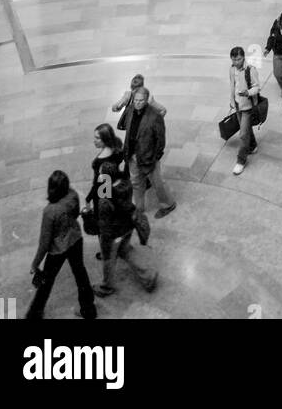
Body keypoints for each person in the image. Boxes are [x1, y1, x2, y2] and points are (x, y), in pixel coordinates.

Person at [85, 124, 156, 297]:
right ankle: (149, 276)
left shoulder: (105, 196)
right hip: (127, 222)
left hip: (114, 229)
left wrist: (103, 236)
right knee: (125, 250)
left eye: (97, 137)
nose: (94, 140)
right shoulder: (120, 180)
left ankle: (107, 285)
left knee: (109, 257)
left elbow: (105, 216)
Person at [26, 170, 97, 320]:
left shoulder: (49, 211)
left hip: (57, 249)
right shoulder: (73, 195)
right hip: (76, 239)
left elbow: (44, 243)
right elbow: (76, 214)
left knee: (46, 281)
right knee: (80, 273)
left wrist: (35, 264)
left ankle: (35, 313)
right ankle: (88, 309)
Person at [123, 86, 176, 218]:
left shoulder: (155, 116)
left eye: (141, 100)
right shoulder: (129, 110)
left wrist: (156, 156)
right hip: (132, 154)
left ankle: (168, 204)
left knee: (157, 182)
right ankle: (138, 208)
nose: (137, 103)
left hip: (148, 156)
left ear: (146, 100)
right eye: (135, 100)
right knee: (136, 182)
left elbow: (160, 139)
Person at [228, 45, 261, 173]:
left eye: (239, 59)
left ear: (243, 58)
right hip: (237, 104)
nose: (237, 62)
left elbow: (257, 87)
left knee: (243, 134)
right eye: (234, 60)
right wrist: (231, 101)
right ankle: (252, 146)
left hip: (247, 106)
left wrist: (248, 92)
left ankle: (241, 160)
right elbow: (232, 85)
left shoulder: (250, 69)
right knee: (246, 129)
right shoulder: (231, 69)